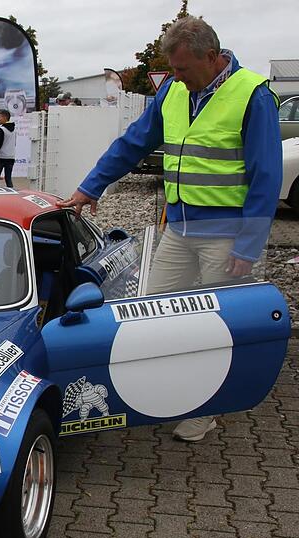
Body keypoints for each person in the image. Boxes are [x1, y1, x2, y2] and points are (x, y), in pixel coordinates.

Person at [58, 16, 281, 442]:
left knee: (217, 326)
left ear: (212, 57)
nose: (176, 78)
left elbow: (266, 177)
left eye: (183, 69)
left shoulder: (252, 94)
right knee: (151, 311)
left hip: (227, 234)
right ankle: (166, 389)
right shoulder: (174, 91)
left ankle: (209, 409)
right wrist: (91, 187)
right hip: (179, 228)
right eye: (173, 70)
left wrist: (248, 247)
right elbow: (133, 142)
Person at [0, 110, 16, 187]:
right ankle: (11, 190)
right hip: (11, 156)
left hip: (1, 156)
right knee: (8, 177)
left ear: (5, 118)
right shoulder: (14, 129)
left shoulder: (2, 129)